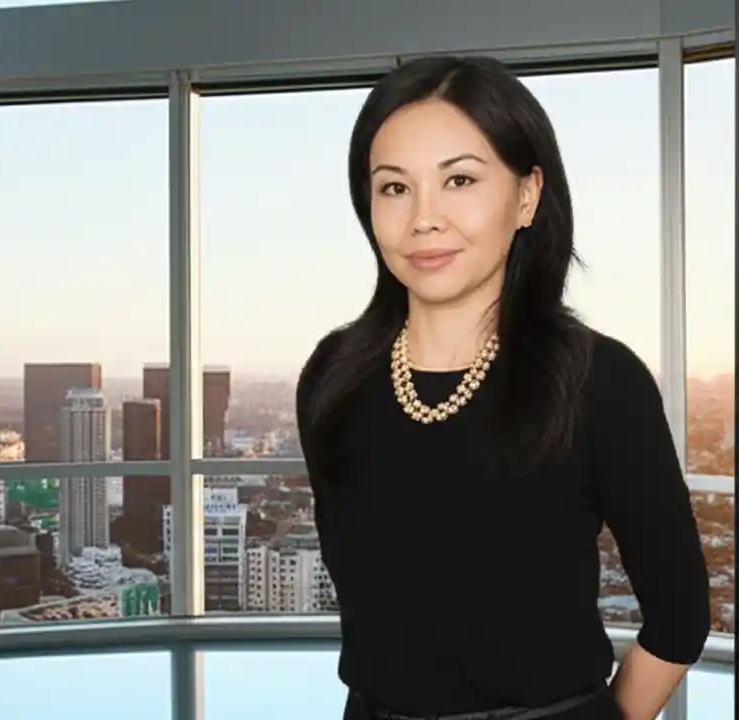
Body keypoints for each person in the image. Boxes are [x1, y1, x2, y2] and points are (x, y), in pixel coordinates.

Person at [295, 55, 711, 720]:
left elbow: (680, 616)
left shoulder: (599, 382)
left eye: (459, 179)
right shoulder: (335, 377)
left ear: (526, 195)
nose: (423, 219)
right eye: (394, 188)